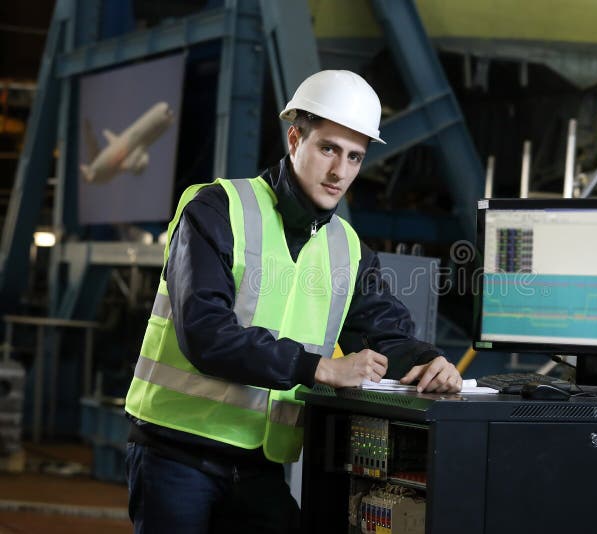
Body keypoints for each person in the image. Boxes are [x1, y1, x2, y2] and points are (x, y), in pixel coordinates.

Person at [123, 69, 463, 534]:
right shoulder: (218, 209)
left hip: (258, 464)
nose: (339, 171)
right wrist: (316, 367)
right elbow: (204, 333)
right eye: (328, 149)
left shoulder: (347, 246)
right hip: (175, 453)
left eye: (354, 157)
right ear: (294, 139)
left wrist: (429, 361)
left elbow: (384, 332)